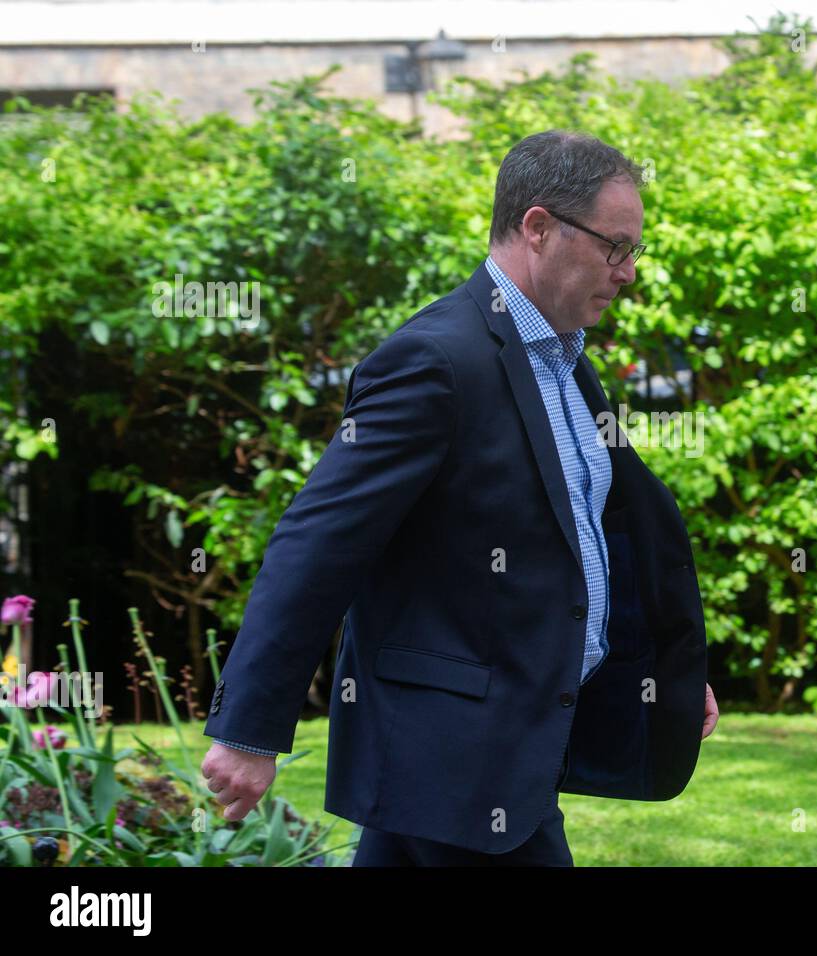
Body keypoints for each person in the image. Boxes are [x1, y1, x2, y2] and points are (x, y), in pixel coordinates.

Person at [200, 129, 718, 866]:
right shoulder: (436, 361)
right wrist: (249, 729)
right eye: (615, 246)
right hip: (451, 765)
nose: (628, 272)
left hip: (500, 761)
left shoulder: (569, 365)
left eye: (632, 250)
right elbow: (318, 542)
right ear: (539, 228)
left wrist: (661, 672)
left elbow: (594, 540)